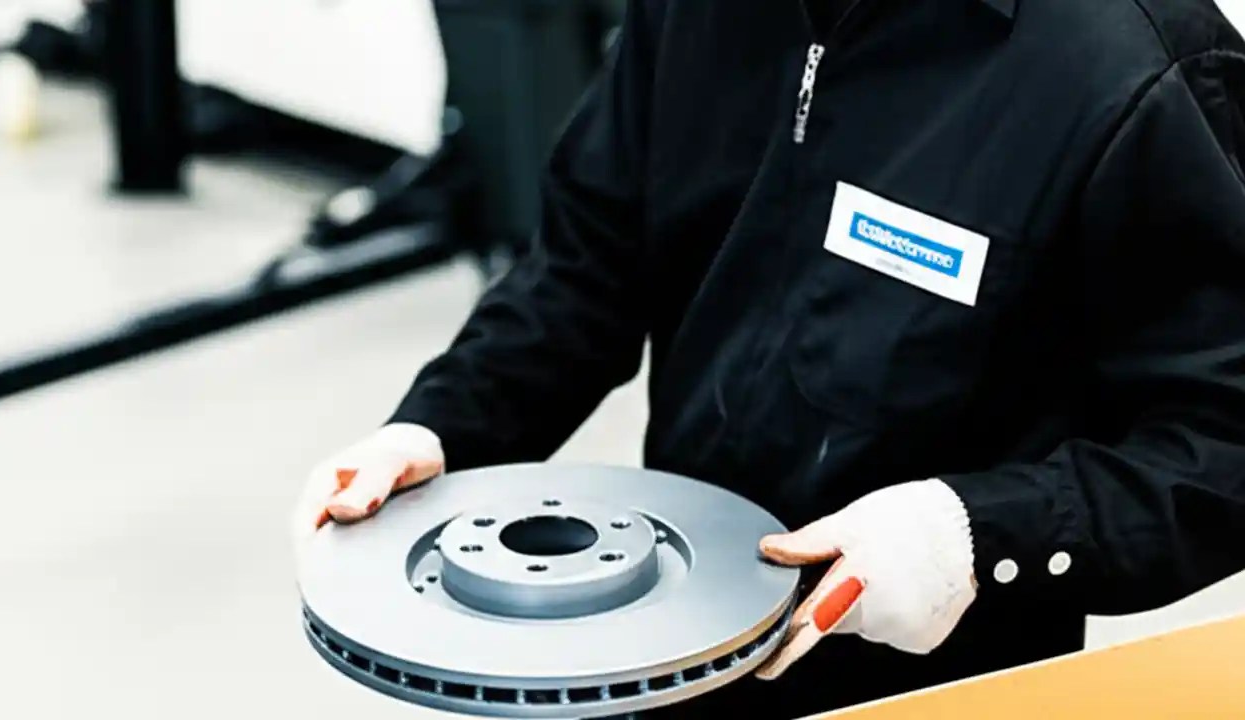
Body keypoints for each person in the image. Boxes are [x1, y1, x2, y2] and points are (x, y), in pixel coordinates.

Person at [293, 0, 1245, 716]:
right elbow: (588, 264)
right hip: (668, 652)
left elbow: (1226, 444)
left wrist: (978, 537)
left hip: (943, 684)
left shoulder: (1136, 66)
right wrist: (442, 425)